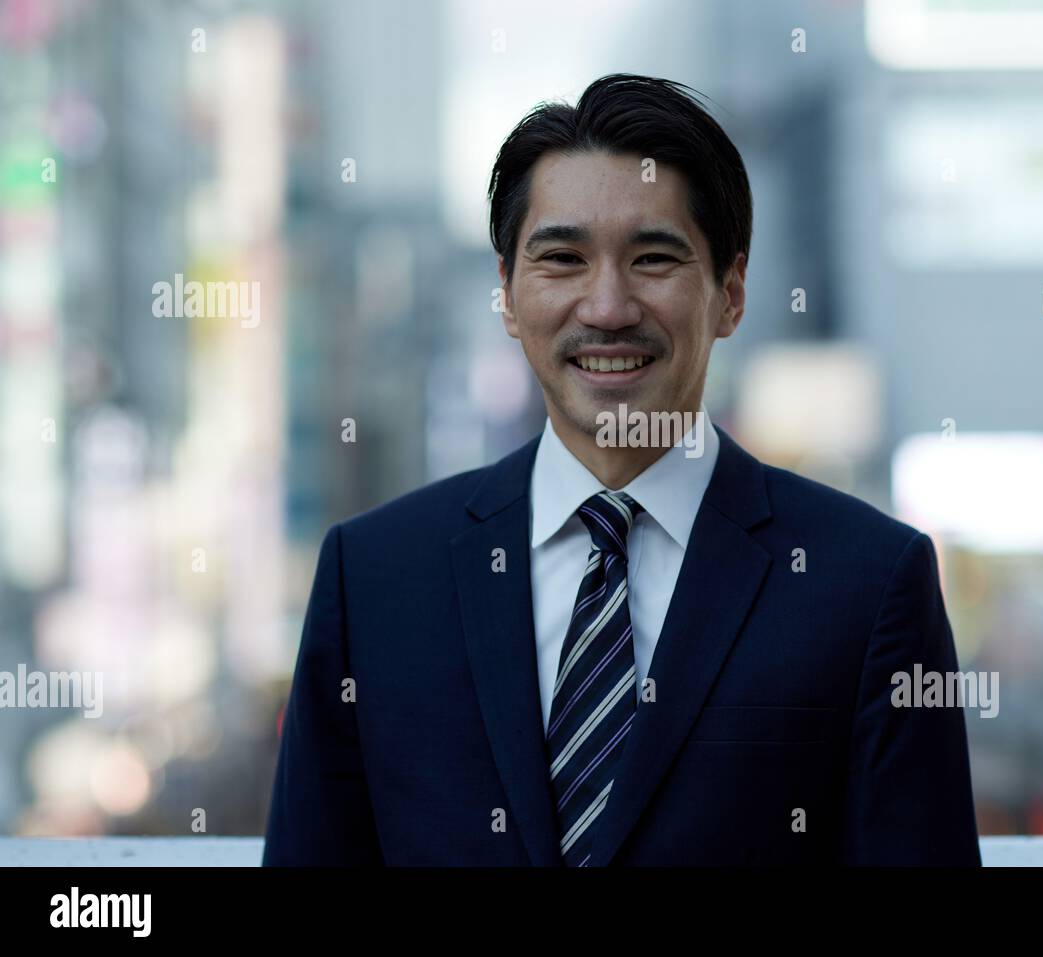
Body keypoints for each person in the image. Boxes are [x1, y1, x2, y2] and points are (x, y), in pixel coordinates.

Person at [262, 73, 981, 866]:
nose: (606, 306)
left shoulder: (869, 583)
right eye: (562, 258)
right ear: (505, 292)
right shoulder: (373, 580)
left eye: (653, 258)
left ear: (730, 292)